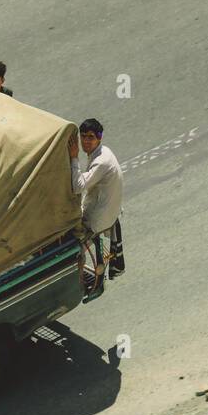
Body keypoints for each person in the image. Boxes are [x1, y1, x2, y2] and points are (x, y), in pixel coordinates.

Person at [68, 118, 124, 292]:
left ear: (99, 138)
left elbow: (78, 186)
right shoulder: (103, 152)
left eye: (90, 137)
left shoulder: (101, 161)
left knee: (71, 242)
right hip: (108, 209)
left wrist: (74, 157)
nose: (85, 141)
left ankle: (82, 281)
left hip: (99, 217)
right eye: (83, 137)